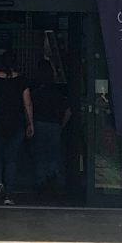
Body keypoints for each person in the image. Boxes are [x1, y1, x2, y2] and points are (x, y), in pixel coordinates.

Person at [0, 61, 32, 204]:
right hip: (17, 124)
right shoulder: (22, 81)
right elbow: (27, 103)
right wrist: (30, 122)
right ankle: (9, 194)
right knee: (12, 159)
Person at [30, 60, 72, 194]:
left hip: (39, 124)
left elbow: (29, 108)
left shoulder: (35, 92)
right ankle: (53, 180)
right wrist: (61, 125)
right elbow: (68, 111)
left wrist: (29, 124)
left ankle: (40, 183)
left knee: (40, 155)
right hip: (54, 125)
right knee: (54, 155)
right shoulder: (57, 91)